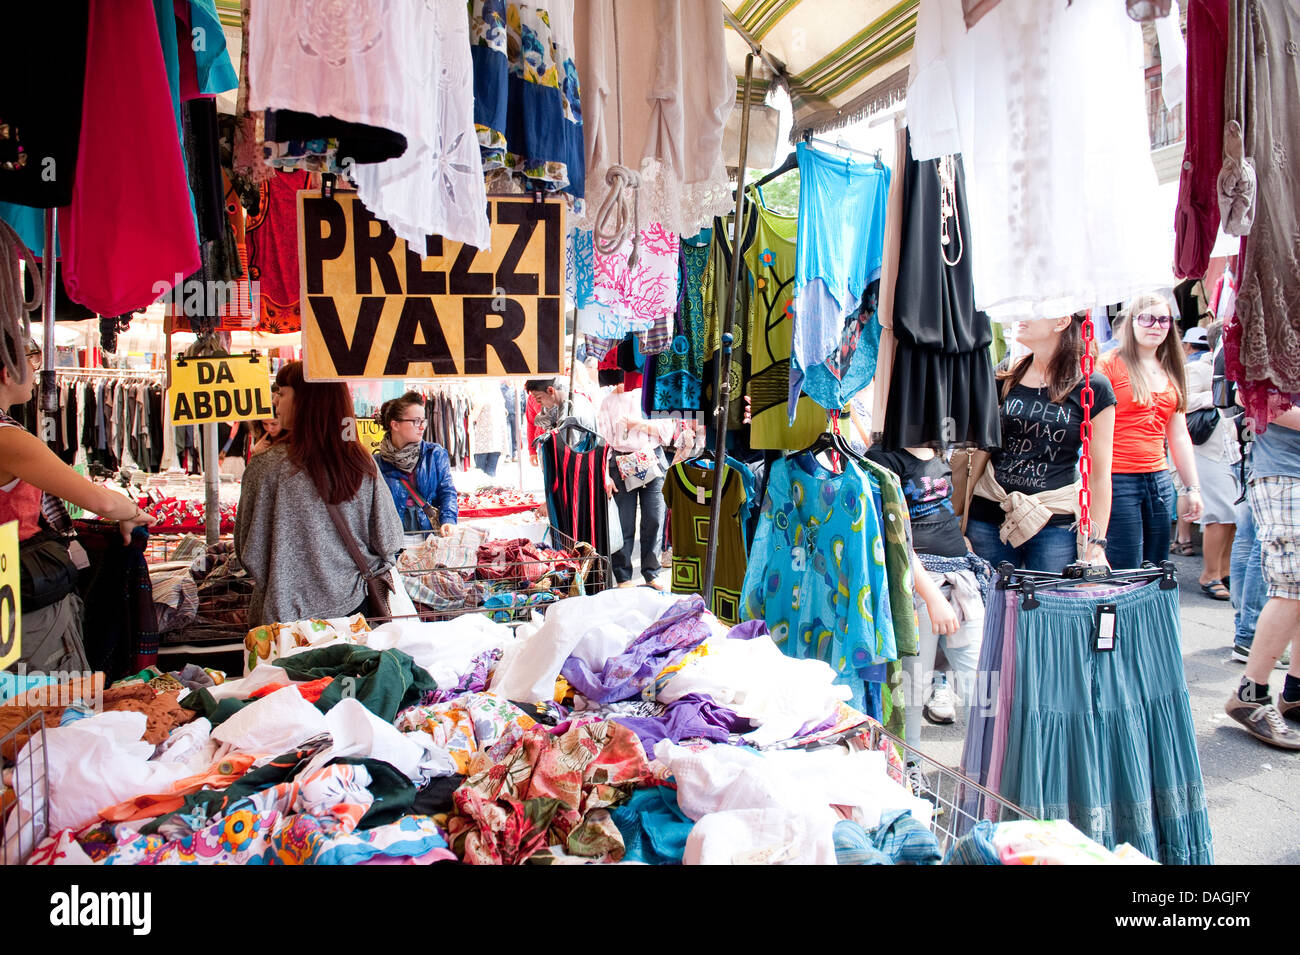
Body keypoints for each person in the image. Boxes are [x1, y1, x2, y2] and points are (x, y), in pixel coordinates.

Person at [0, 339, 155, 671]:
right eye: (31, 359)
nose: (36, 369)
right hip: (19, 592)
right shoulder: (8, 438)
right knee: (43, 704)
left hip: (14, 586)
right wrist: (133, 512)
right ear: (6, 373)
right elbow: (99, 500)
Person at [236, 362, 404, 625]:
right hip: (351, 613)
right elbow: (389, 540)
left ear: (306, 400)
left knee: (282, 669)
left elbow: (248, 551)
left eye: (282, 393)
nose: (275, 402)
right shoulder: (360, 464)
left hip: (283, 617)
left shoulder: (266, 467)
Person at [966, 312, 1115, 572]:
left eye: (1032, 310)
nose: (1020, 316)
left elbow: (1100, 475)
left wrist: (1096, 542)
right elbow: (976, 451)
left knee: (1049, 608)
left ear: (1061, 321)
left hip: (1054, 524)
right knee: (990, 608)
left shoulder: (1093, 387)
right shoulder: (1004, 374)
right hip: (989, 516)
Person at [866, 442, 986, 748]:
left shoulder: (941, 454)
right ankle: (910, 774)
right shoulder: (881, 459)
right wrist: (932, 596)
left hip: (960, 580)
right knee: (911, 693)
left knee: (983, 690)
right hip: (918, 589)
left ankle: (985, 776)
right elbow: (895, 538)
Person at [1099, 293, 1202, 569]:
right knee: (1125, 565)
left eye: (1163, 319)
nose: (1155, 325)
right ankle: (1123, 615)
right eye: (1147, 318)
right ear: (1131, 322)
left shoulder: (1171, 367)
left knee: (1157, 566)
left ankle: (1152, 615)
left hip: (1158, 478)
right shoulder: (1108, 364)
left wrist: (1192, 487)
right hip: (1117, 477)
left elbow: (1179, 435)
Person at [1224, 408, 1300, 749]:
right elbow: (1256, 398)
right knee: (1290, 587)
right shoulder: (1270, 350)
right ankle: (1250, 693)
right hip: (1284, 473)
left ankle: (1296, 692)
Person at [596, 369, 674, 589]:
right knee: (623, 522)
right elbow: (602, 441)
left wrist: (637, 424)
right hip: (620, 462)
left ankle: (652, 572)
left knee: (654, 517)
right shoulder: (608, 402)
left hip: (651, 458)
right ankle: (623, 576)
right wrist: (605, 474)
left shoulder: (651, 394)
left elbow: (667, 431)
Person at [1181, 321, 1238, 599]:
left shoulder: (1238, 369)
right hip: (1207, 449)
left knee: (1233, 516)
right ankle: (1210, 573)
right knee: (1219, 512)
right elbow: (1184, 401)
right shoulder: (1198, 368)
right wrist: (1219, 394)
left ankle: (1224, 571)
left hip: (1232, 447)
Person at [373, 391, 458, 535]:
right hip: (392, 540)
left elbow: (447, 491)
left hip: (429, 535)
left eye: (423, 421)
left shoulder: (434, 454)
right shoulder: (376, 464)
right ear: (395, 425)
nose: (422, 427)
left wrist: (448, 519)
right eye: (416, 421)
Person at [469, 380, 509, 477]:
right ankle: (491, 490)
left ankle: (483, 490)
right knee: (491, 471)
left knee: (481, 472)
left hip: (483, 442)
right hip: (497, 441)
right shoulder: (499, 400)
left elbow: (473, 417)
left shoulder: (482, 398)